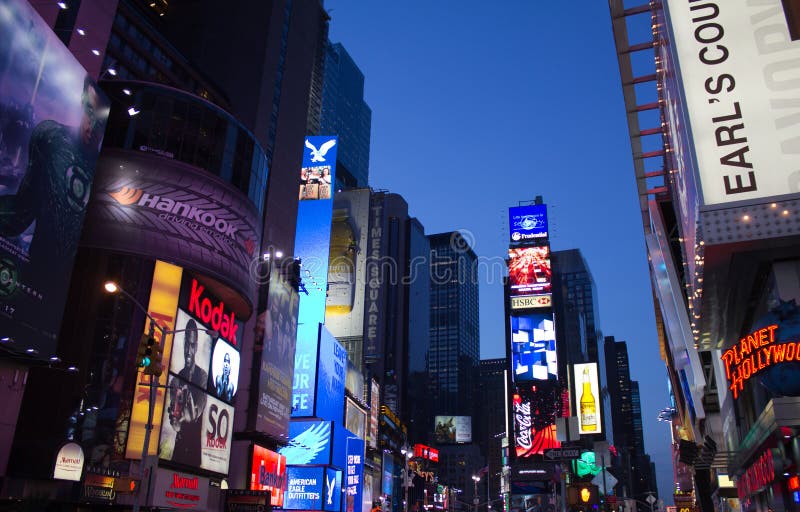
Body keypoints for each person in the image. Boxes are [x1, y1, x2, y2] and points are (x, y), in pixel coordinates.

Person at [0, 75, 106, 278]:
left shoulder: (102, 175)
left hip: (66, 290)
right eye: (90, 111)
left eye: (100, 122)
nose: (91, 127)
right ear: (83, 101)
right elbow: (20, 212)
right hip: (34, 278)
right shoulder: (51, 138)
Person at [167, 319, 207, 467]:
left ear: (196, 347)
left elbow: (193, 415)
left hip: (194, 458)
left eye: (192, 345)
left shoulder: (202, 377)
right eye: (186, 344)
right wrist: (176, 423)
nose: (188, 351)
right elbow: (177, 423)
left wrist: (187, 399)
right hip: (178, 455)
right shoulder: (175, 381)